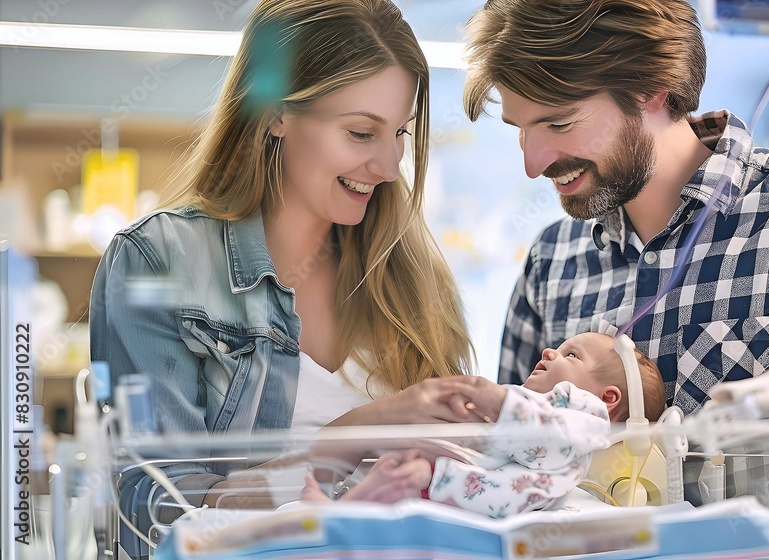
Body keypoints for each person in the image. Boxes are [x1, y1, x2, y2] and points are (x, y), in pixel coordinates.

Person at [89, 0, 483, 510]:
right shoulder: (159, 259)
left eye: (399, 132)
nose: (388, 166)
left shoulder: (411, 272)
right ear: (275, 114)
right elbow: (158, 508)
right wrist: (355, 433)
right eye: (361, 133)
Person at [462, 0, 769, 416]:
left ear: (653, 89)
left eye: (559, 123)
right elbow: (510, 456)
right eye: (521, 130)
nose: (533, 165)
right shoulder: (551, 260)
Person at [301, 332, 666, 518]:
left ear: (609, 398)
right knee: (401, 471)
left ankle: (338, 514)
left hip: (482, 490)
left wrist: (499, 402)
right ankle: (340, 510)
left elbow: (547, 435)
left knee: (409, 477)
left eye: (571, 355)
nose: (549, 352)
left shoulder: (586, 418)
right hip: (466, 476)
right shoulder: (541, 405)